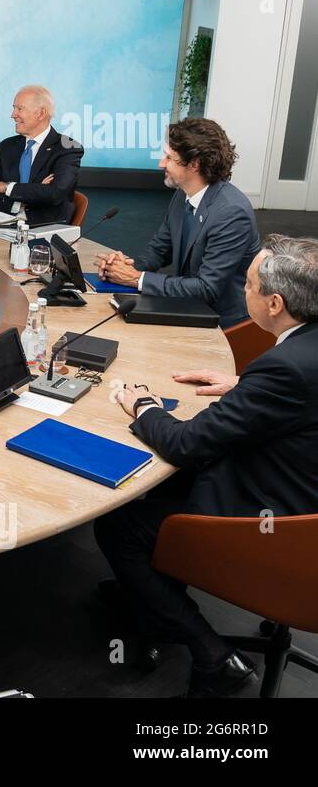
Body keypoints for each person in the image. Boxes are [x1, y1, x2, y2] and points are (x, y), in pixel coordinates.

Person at [96, 235, 318, 697]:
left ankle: (211, 654)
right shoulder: (299, 357)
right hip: (303, 483)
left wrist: (143, 406)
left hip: (279, 517)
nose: (242, 288)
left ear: (275, 303)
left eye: (250, 283)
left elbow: (185, 443)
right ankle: (149, 599)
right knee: (156, 491)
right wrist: (244, 385)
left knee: (118, 524)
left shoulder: (285, 369)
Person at [94, 117, 259, 327]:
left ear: (194, 164)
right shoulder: (183, 194)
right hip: (187, 305)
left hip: (221, 324)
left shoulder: (231, 213)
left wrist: (136, 278)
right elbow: (159, 249)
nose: (161, 163)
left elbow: (207, 288)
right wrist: (121, 267)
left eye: (169, 158)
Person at [0, 85, 84, 226]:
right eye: (14, 108)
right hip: (4, 225)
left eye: (20, 109)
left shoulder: (68, 148)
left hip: (45, 229)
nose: (13, 115)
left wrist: (8, 188)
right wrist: (25, 200)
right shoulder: (6, 147)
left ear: (41, 113)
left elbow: (54, 193)